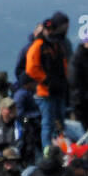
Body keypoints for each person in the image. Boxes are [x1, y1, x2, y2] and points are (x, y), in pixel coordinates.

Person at [24, 11, 73, 151]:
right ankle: (48, 150)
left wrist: (65, 81)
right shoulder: (38, 46)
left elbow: (64, 64)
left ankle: (61, 149)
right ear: (44, 30)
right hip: (45, 92)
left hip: (59, 89)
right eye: (47, 29)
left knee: (60, 123)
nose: (50, 32)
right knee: (48, 123)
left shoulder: (57, 45)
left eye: (52, 29)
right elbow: (31, 68)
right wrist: (45, 80)